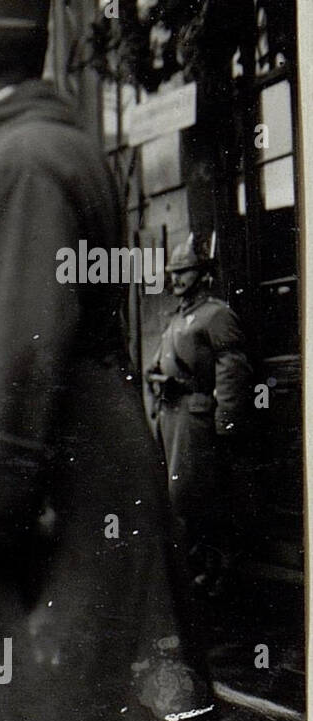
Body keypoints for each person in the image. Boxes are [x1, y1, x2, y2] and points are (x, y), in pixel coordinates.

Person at [0, 0, 206, 721]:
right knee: (69, 718)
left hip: (42, 460)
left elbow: (16, 343)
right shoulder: (50, 145)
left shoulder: (17, 162)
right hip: (77, 449)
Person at [147, 235, 250, 599]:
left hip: (197, 417)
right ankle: (197, 569)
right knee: (179, 500)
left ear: (203, 274)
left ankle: (218, 572)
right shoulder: (176, 318)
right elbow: (159, 360)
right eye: (173, 273)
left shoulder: (217, 315)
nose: (175, 279)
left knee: (198, 498)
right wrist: (156, 377)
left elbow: (232, 369)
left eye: (184, 272)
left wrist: (228, 421)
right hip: (172, 417)